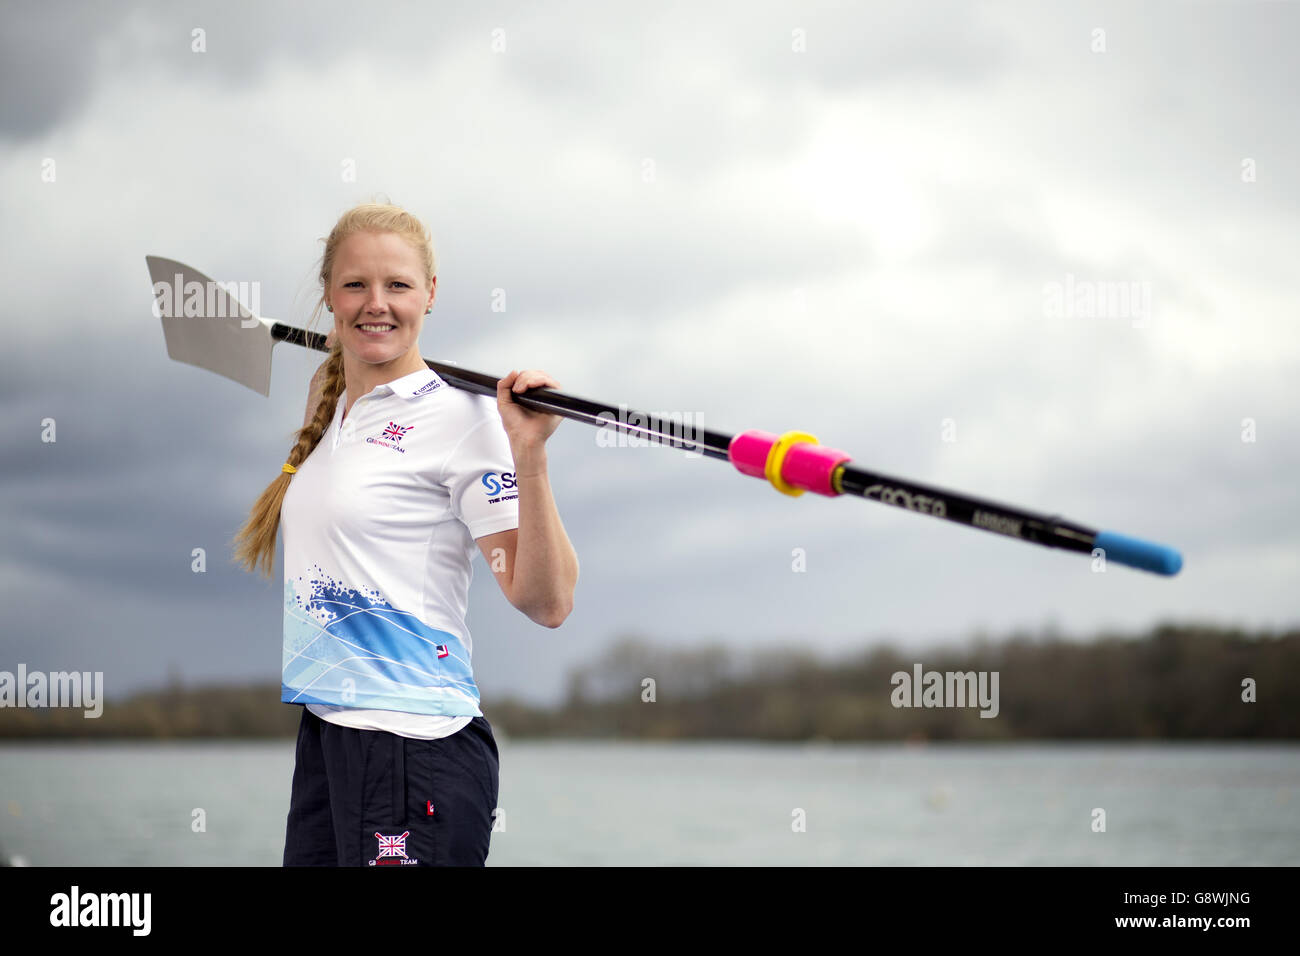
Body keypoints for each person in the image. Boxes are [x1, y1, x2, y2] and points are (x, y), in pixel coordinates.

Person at [232, 201, 579, 866]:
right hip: (329, 735)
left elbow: (548, 602)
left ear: (431, 293)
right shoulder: (329, 401)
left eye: (398, 285)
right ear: (329, 295)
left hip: (414, 748)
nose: (376, 304)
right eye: (356, 285)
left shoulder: (467, 418)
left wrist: (528, 454)